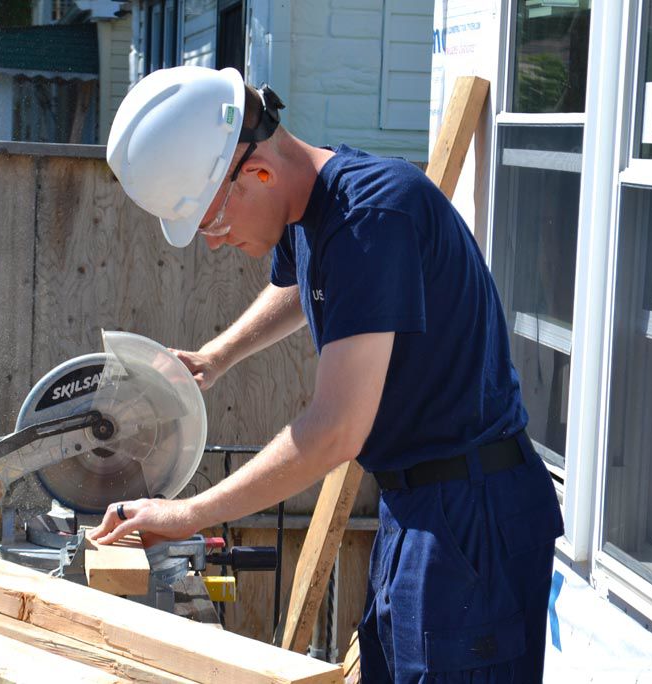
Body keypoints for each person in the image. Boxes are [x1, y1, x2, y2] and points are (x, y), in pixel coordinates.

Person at [91, 65, 563, 683]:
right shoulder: (319, 212)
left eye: (210, 222)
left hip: (470, 514)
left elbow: (335, 431)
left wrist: (186, 515)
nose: (212, 242)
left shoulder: (372, 217)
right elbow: (300, 286)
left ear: (256, 172)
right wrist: (218, 355)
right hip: (421, 502)